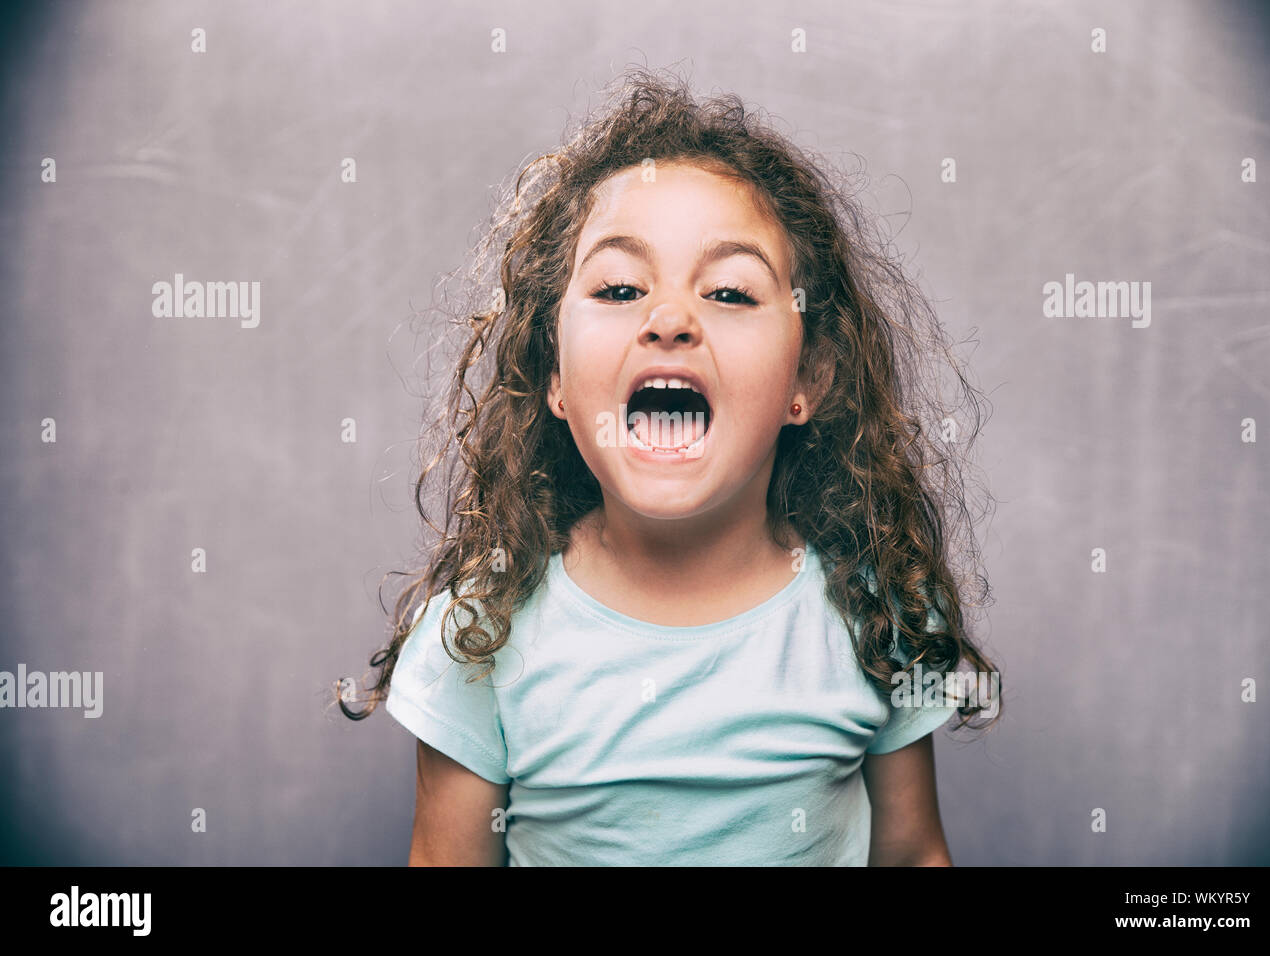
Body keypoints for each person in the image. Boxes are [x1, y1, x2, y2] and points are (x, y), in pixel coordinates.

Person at [341, 66, 1001, 866]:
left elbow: (914, 856)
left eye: (729, 292)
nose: (669, 319)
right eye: (619, 287)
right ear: (552, 375)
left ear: (809, 382)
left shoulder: (876, 615)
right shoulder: (478, 636)